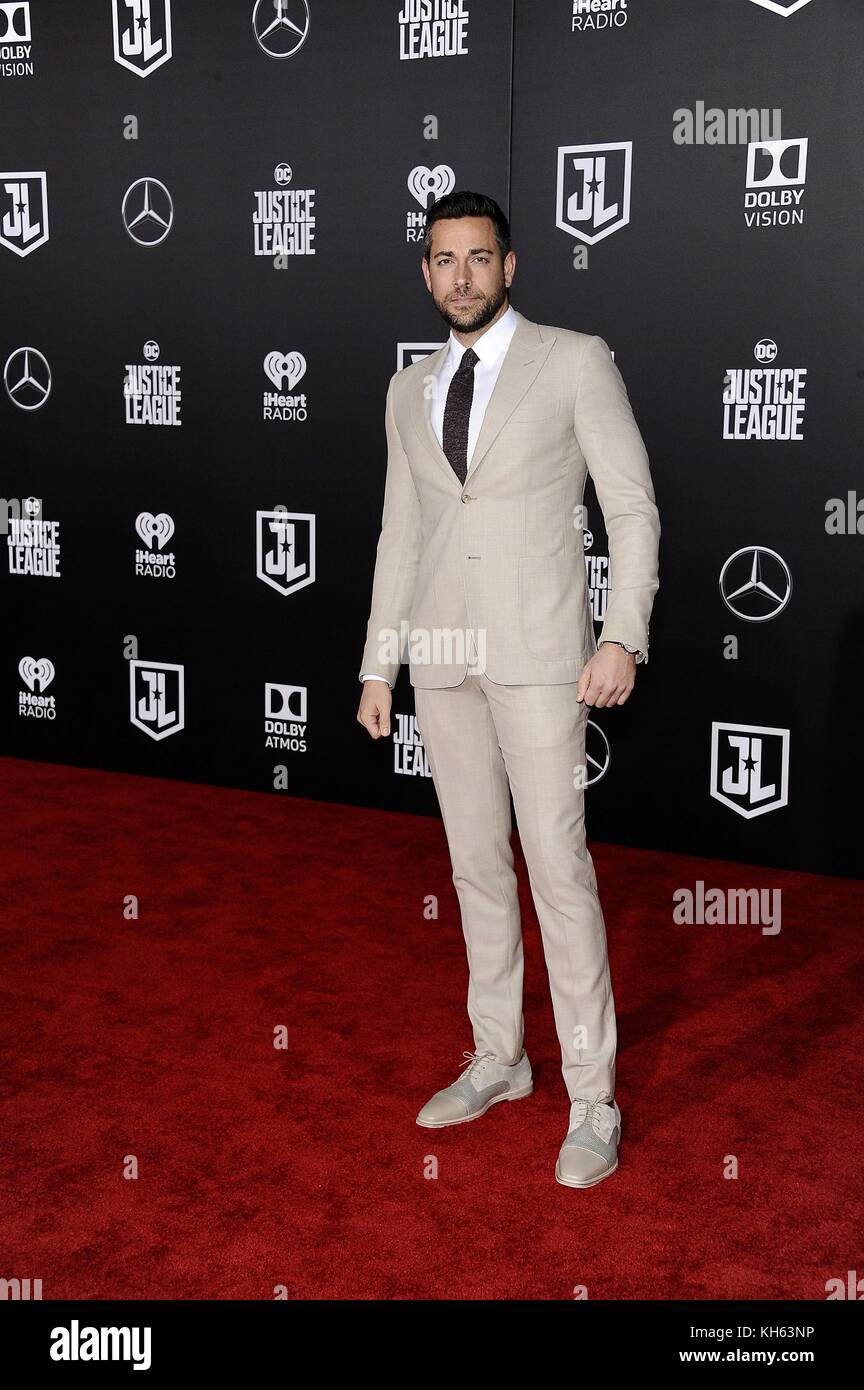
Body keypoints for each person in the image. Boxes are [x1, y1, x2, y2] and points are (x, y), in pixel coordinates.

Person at [356, 190, 660, 1188]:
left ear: (511, 265)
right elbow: (403, 533)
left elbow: (631, 506)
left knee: (558, 873)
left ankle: (594, 1097)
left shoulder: (575, 360)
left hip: (539, 658)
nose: (461, 278)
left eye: (478, 259)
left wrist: (623, 635)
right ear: (426, 272)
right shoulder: (407, 390)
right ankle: (501, 1056)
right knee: (475, 867)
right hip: (442, 658)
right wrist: (377, 662)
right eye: (443, 261)